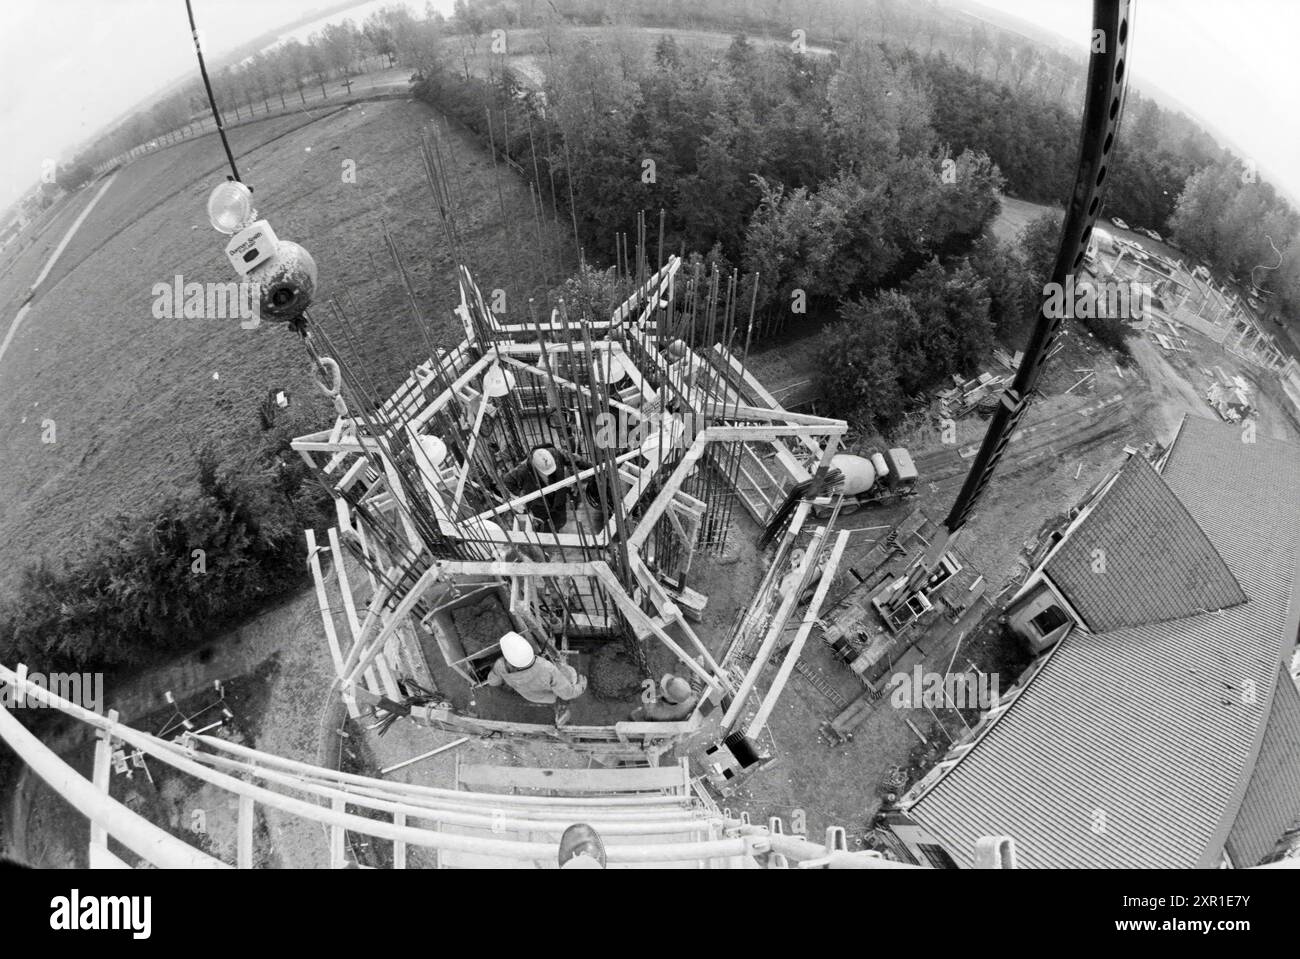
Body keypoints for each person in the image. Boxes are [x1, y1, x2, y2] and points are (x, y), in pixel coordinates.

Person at [486, 631, 587, 724]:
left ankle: (558, 706)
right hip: (547, 695)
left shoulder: (500, 665)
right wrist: (580, 687)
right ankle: (562, 707)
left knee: (553, 690)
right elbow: (567, 693)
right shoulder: (546, 668)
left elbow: (493, 681)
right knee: (570, 674)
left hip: (530, 695)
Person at [502, 445, 592, 532]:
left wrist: (591, 468)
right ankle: (548, 534)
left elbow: (576, 459)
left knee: (560, 520)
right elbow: (507, 480)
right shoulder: (523, 470)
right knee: (544, 525)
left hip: (558, 498)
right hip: (539, 504)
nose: (549, 473)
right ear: (535, 466)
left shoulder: (556, 454)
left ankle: (557, 529)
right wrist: (522, 494)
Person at [630, 674, 698, 722]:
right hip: (677, 715)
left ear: (666, 694)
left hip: (658, 718)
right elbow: (695, 686)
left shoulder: (653, 710)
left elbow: (634, 715)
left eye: (663, 688)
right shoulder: (693, 698)